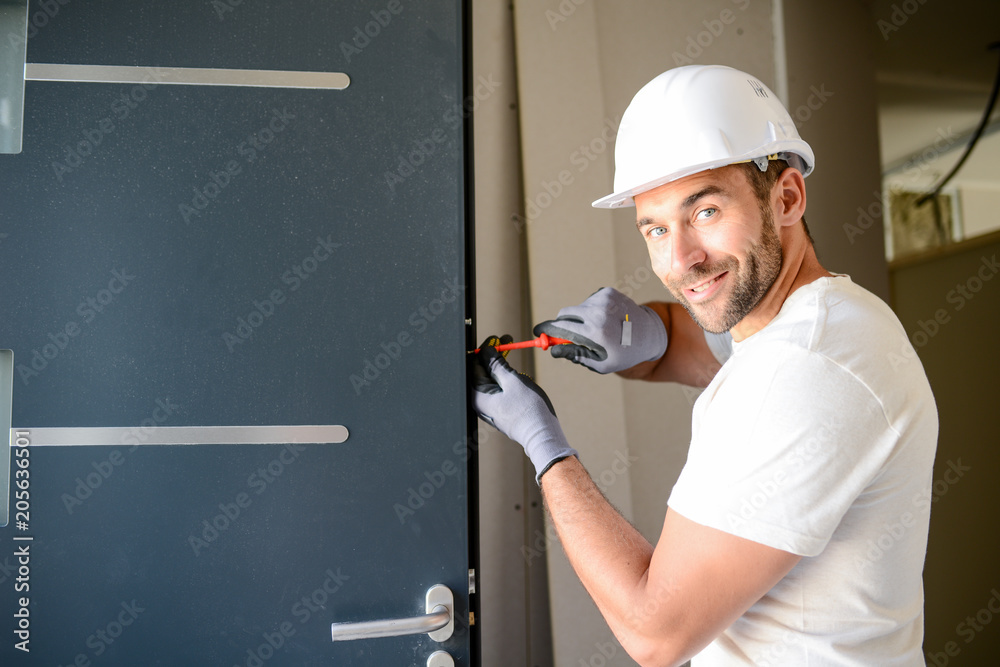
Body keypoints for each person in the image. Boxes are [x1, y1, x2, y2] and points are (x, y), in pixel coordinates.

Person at [472, 65, 938, 666]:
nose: (680, 260)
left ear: (787, 197)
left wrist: (544, 447)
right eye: (656, 228)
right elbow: (722, 348)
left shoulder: (805, 367)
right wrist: (653, 337)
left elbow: (654, 631)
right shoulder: (837, 319)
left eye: (707, 213)